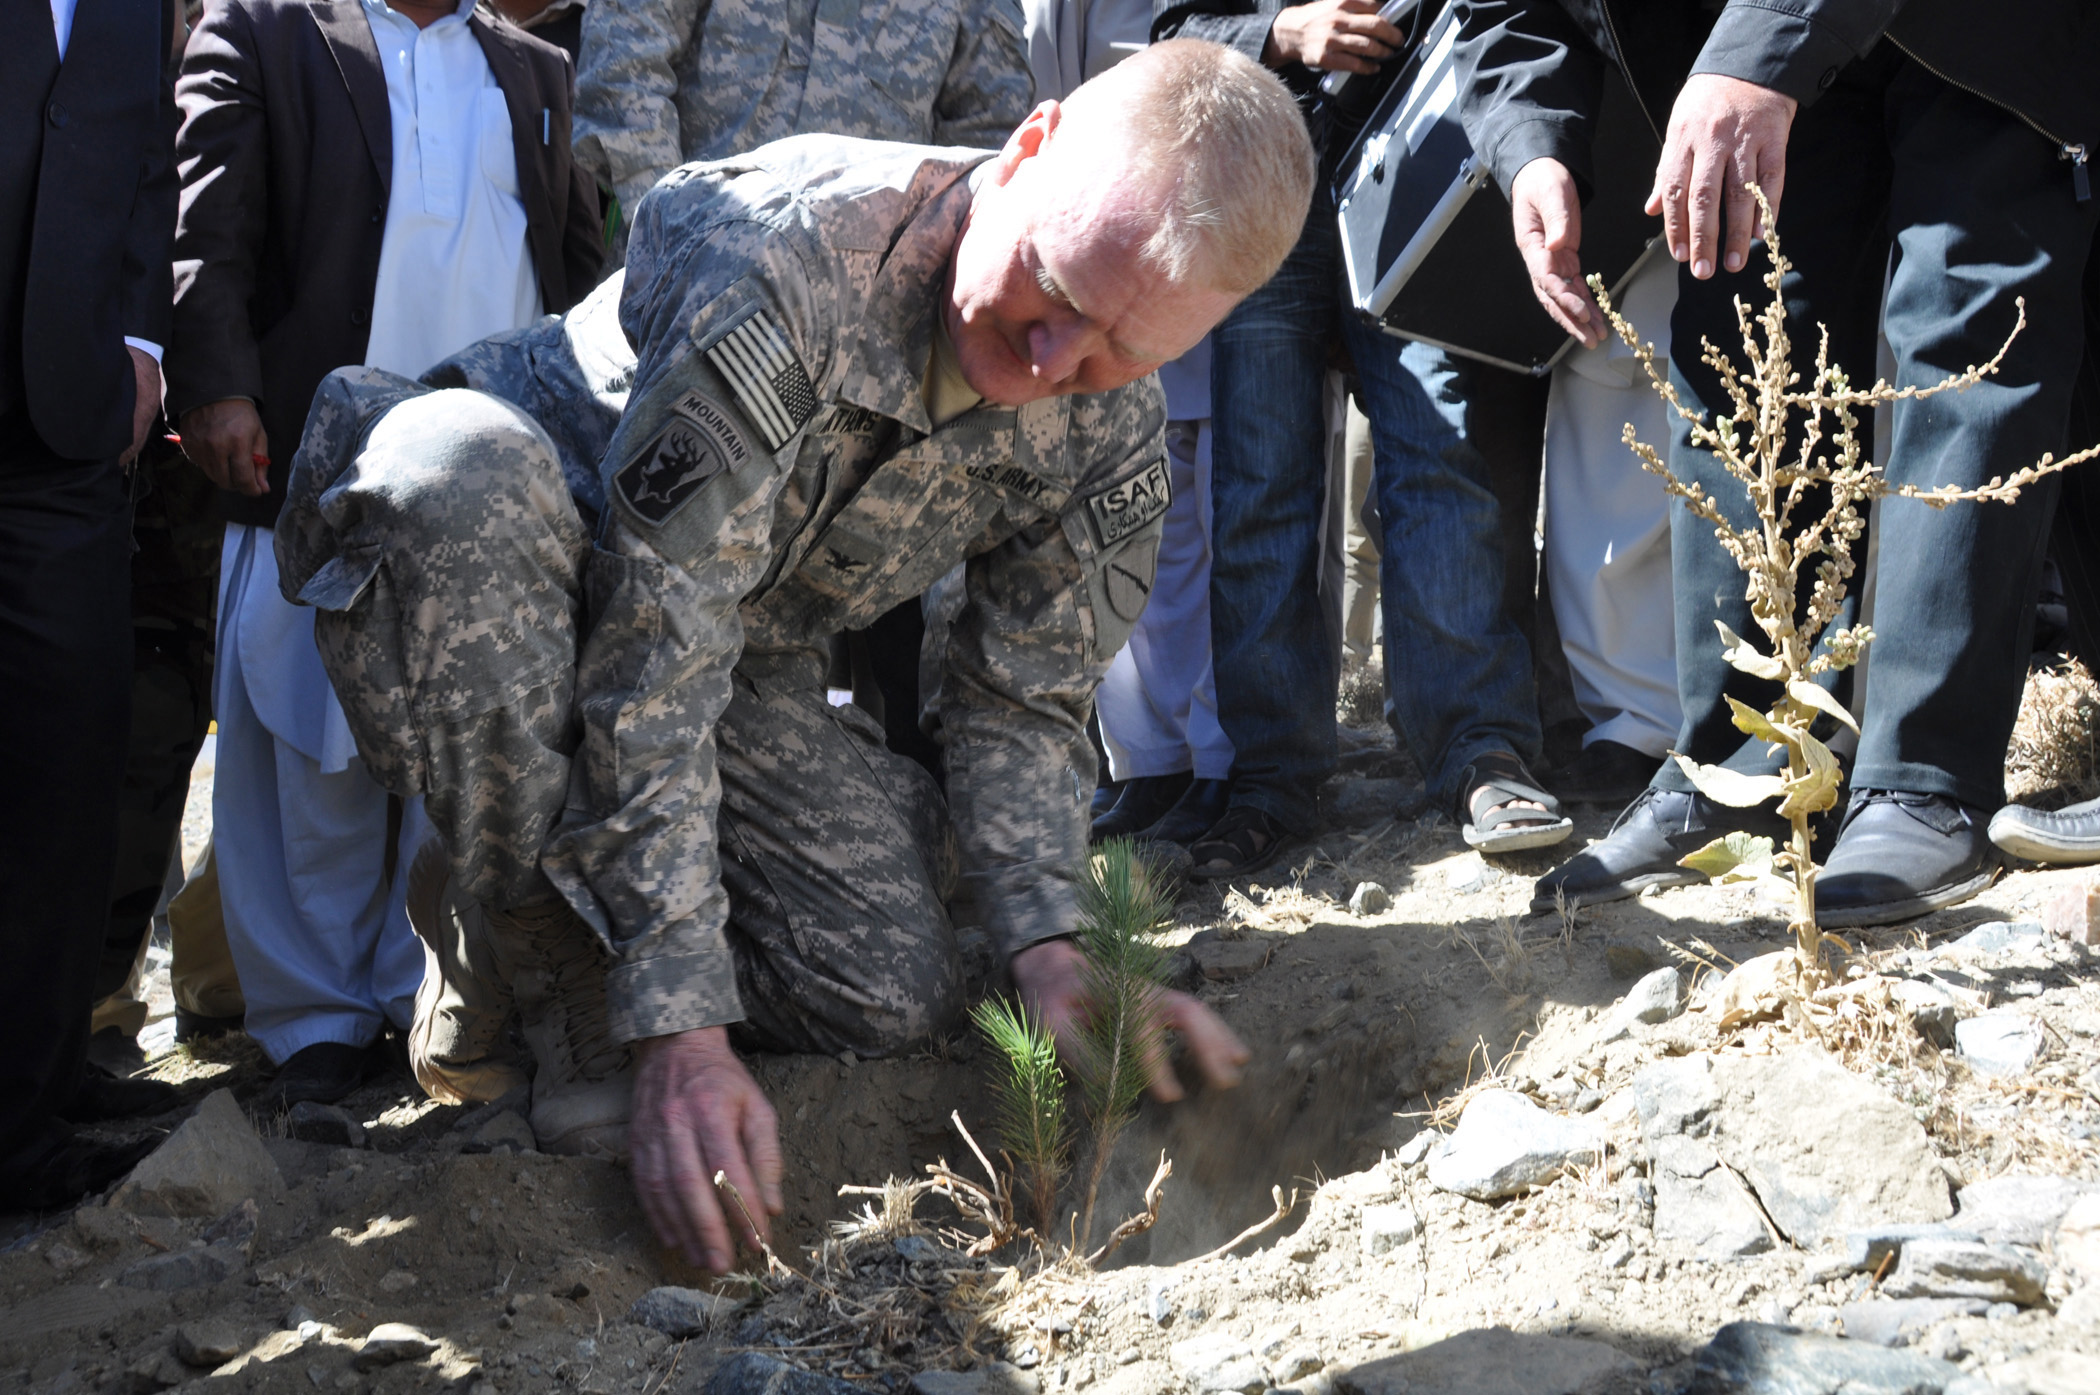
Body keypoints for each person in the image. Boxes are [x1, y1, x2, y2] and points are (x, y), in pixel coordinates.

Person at [275, 39, 1311, 1269]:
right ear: (1025, 151)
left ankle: (546, 902)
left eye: (1116, 352)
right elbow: (650, 649)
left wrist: (1047, 940)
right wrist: (675, 1030)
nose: (1052, 366)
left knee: (888, 991)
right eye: (1055, 292)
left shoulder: (1105, 415)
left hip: (736, 645)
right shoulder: (789, 266)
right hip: (533, 559)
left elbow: (1022, 699)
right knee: (456, 490)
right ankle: (541, 950)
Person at [1453, 0, 2100, 924]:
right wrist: (1532, 144)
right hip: (1755, 46)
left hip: (1984, 39)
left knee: (1966, 334)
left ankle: (1922, 779)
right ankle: (1742, 772)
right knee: (1742, 329)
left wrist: (1761, 50)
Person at [166, 0, 603, 1108]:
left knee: (456, 750)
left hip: (490, 489)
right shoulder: (263, 31)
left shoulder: (537, 69)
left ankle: (437, 1003)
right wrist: (216, 386)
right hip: (312, 466)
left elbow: (580, 272)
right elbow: (206, 229)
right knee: (301, 745)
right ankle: (315, 1025)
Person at [1152, 0, 1572, 876]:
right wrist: (1281, 32)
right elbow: (1171, 35)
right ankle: (1271, 778)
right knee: (1259, 487)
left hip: (1417, 157)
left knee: (1439, 457)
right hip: (1261, 178)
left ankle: (1479, 752)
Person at [0, 0, 181, 1209]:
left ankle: (34, 1097)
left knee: (69, 756)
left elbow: (142, 169)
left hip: (65, 436)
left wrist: (138, 344)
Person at [573, 0, 1036, 239]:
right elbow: (624, 74)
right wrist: (670, 239)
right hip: (671, 299)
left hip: (863, 337)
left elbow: (986, 144)